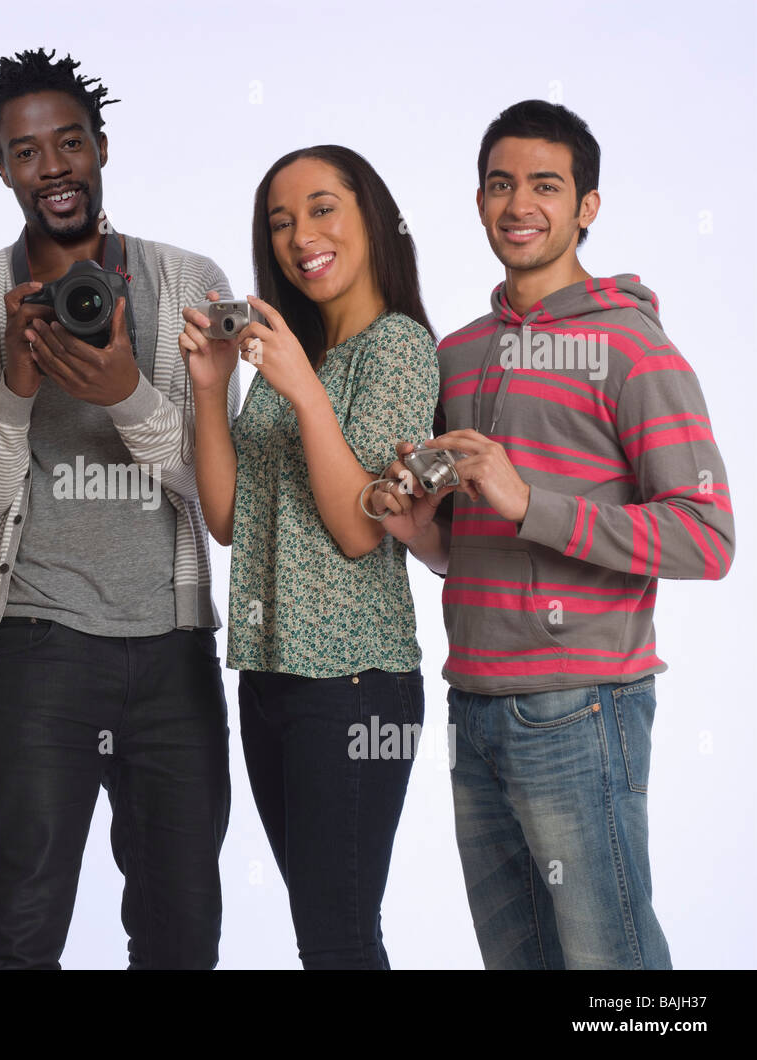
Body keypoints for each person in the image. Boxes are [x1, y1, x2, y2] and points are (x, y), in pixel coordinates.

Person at [374, 100, 735, 969]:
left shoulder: (634, 349)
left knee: (615, 972)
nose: (519, 204)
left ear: (587, 207)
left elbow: (707, 537)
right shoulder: (457, 354)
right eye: (501, 184)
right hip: (474, 703)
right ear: (478, 201)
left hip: (581, 707)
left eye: (545, 184)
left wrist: (526, 496)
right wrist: (427, 536)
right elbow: (473, 546)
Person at [0, 48, 239, 969]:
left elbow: (213, 487)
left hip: (175, 650)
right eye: (26, 153)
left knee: (181, 934)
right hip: (41, 646)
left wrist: (127, 393)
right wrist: (18, 390)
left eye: (69, 143)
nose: (53, 169)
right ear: (1, 168)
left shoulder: (192, 281)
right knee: (22, 931)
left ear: (101, 146)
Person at [186, 146, 439, 968]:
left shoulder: (397, 346)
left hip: (355, 685)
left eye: (323, 208)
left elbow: (361, 528)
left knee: (337, 940)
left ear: (370, 215)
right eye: (281, 222)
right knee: (324, 937)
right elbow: (227, 519)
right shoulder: (291, 349)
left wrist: (302, 388)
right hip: (271, 676)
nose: (301, 236)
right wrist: (210, 386)